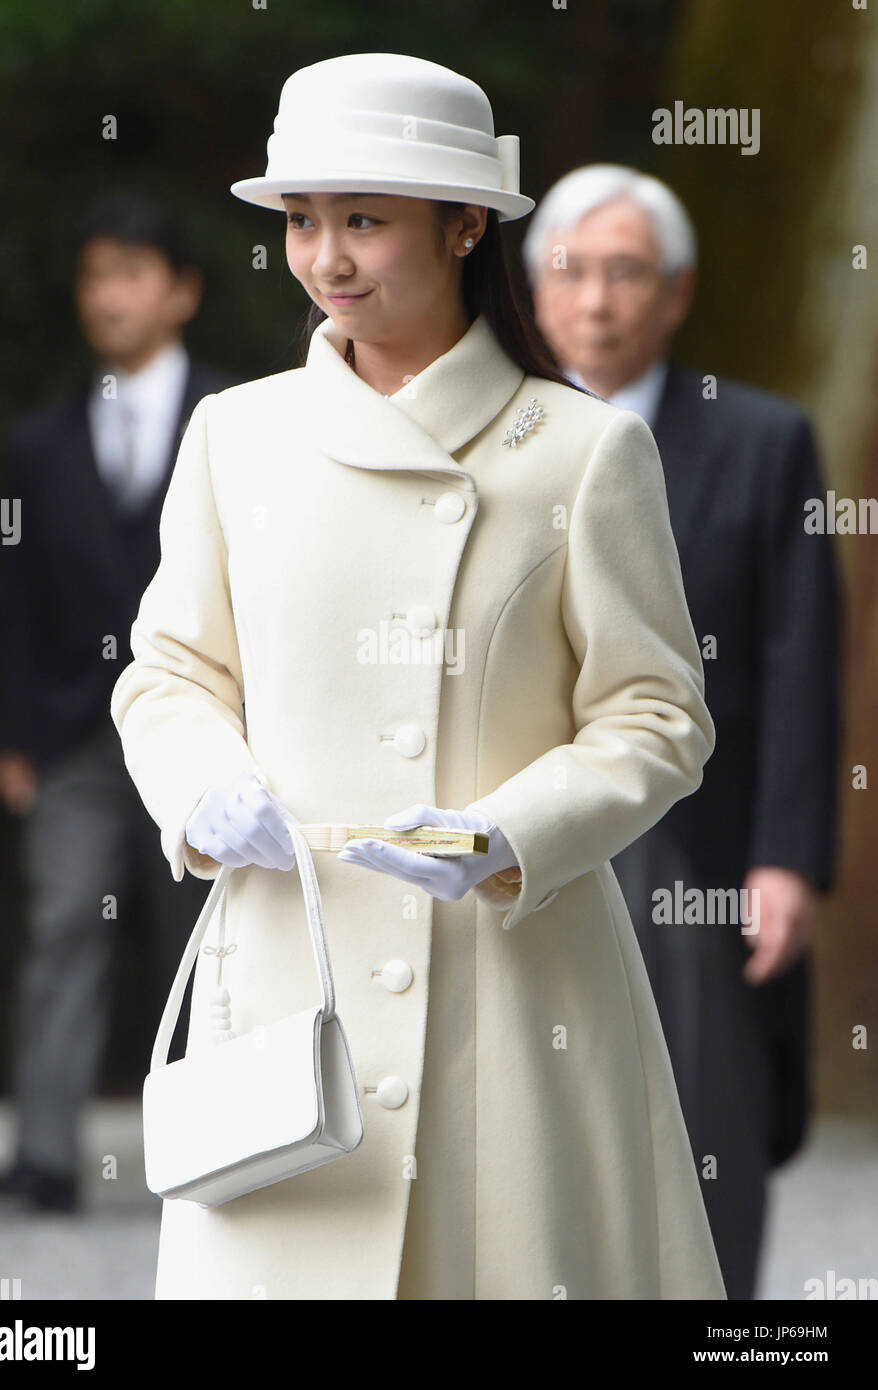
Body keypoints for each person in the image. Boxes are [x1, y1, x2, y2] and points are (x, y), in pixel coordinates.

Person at [110, 53, 727, 1300]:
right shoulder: (237, 433)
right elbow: (167, 669)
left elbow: (657, 713)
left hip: (514, 976)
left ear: (462, 226)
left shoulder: (586, 449)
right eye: (301, 220)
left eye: (363, 220)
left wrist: (511, 829)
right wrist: (201, 788)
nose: (327, 257)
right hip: (288, 959)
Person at [522, 163, 842, 1299]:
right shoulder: (492, 437)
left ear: (676, 290)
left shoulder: (761, 442)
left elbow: (804, 659)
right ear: (532, 285)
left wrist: (788, 858)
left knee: (709, 1117)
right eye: (571, 272)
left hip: (699, 845)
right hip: (521, 836)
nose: (597, 301)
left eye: (625, 273)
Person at [0, 191, 237, 1212]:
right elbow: (19, 598)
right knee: (61, 926)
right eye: (94, 274)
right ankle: (45, 1153)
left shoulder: (236, 420)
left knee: (209, 936)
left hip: (207, 723)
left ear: (182, 291)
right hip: (76, 733)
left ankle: (217, 1149)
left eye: (131, 271)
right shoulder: (41, 441)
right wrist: (14, 737)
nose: (108, 294)